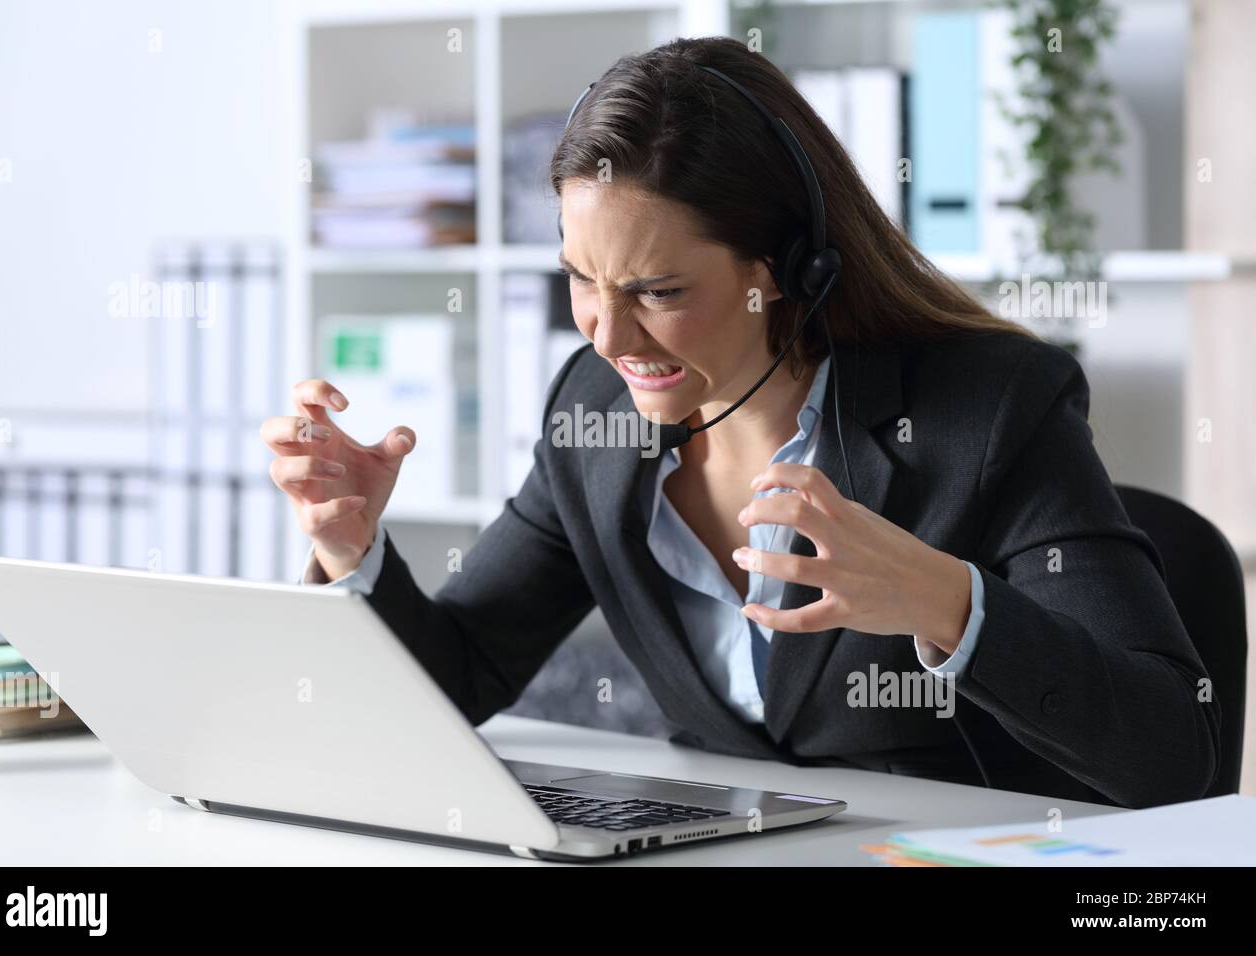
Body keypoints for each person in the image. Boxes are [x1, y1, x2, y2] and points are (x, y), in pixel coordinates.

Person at [261, 37, 1217, 809]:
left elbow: (1171, 752)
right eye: (579, 280)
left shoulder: (992, 409)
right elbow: (461, 677)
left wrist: (944, 601)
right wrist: (354, 552)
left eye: (658, 291)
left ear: (789, 271)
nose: (606, 333)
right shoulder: (596, 422)